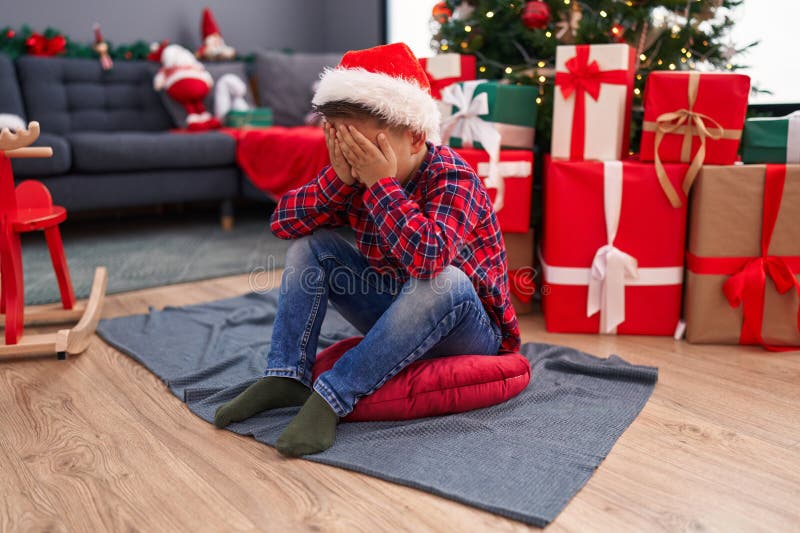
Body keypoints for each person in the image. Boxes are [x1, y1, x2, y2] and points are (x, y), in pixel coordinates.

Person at [213, 42, 520, 457]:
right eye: (341, 143)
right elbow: (282, 224)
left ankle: (334, 396)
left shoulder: (454, 178)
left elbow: (427, 259)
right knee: (312, 246)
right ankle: (286, 373)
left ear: (413, 138)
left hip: (468, 330)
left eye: (364, 148)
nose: (354, 158)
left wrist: (381, 185)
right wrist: (338, 180)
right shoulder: (353, 176)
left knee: (443, 279)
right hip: (398, 312)